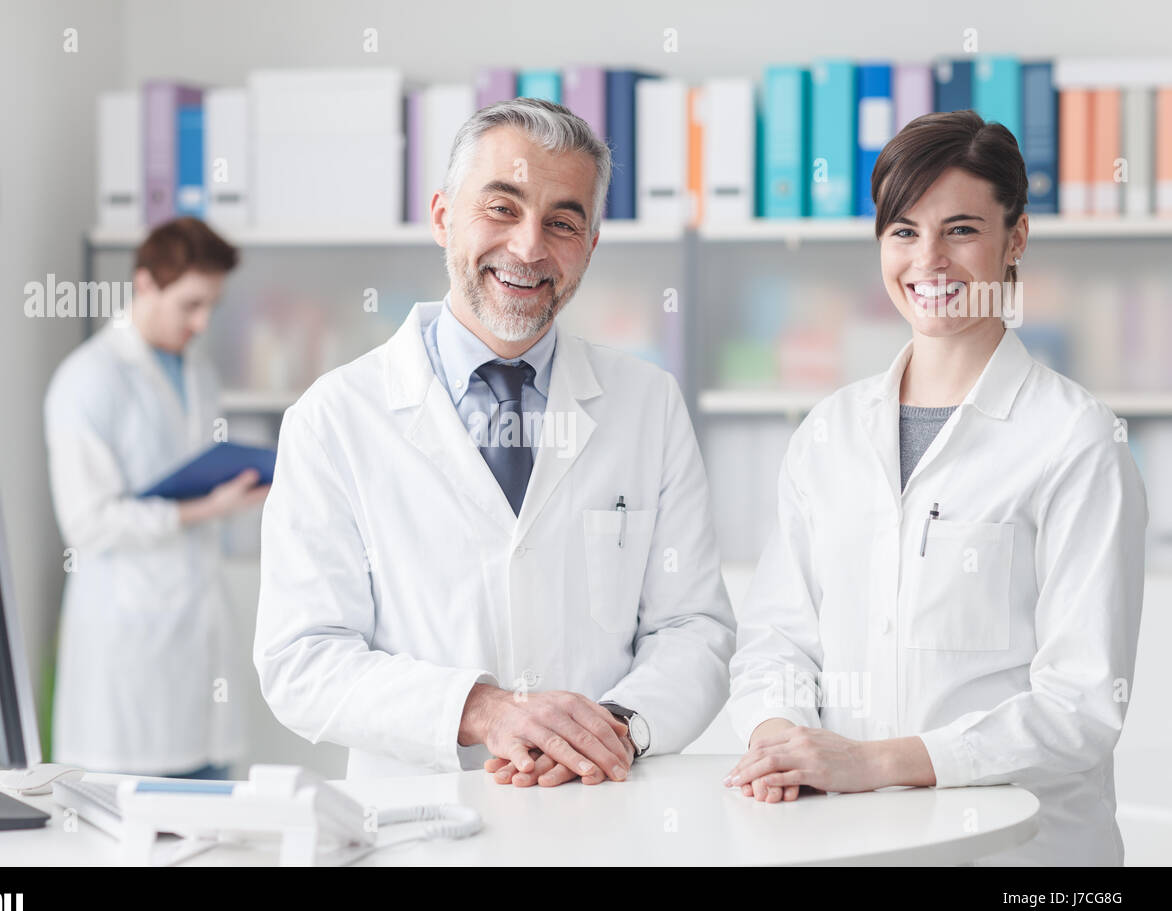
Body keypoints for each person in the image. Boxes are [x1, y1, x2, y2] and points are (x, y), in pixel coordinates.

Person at [254, 98, 735, 785]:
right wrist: (485, 712)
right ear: (444, 216)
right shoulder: (333, 418)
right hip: (418, 820)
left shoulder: (648, 405)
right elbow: (301, 659)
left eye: (563, 222)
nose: (530, 247)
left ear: (591, 246)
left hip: (601, 810)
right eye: (502, 208)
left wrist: (611, 733)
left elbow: (694, 628)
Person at [723, 110, 1147, 865]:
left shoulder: (1077, 440)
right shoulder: (828, 434)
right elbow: (776, 641)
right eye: (904, 232)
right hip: (846, 841)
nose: (929, 261)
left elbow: (1081, 707)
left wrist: (873, 763)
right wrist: (785, 742)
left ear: (1015, 240)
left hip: (1026, 863)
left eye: (960, 230)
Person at [45, 217, 268, 779]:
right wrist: (205, 509)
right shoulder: (87, 380)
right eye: (190, 304)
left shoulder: (198, 371)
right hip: (128, 652)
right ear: (145, 284)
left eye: (212, 306)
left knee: (211, 829)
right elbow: (87, 523)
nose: (202, 322)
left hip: (198, 630)